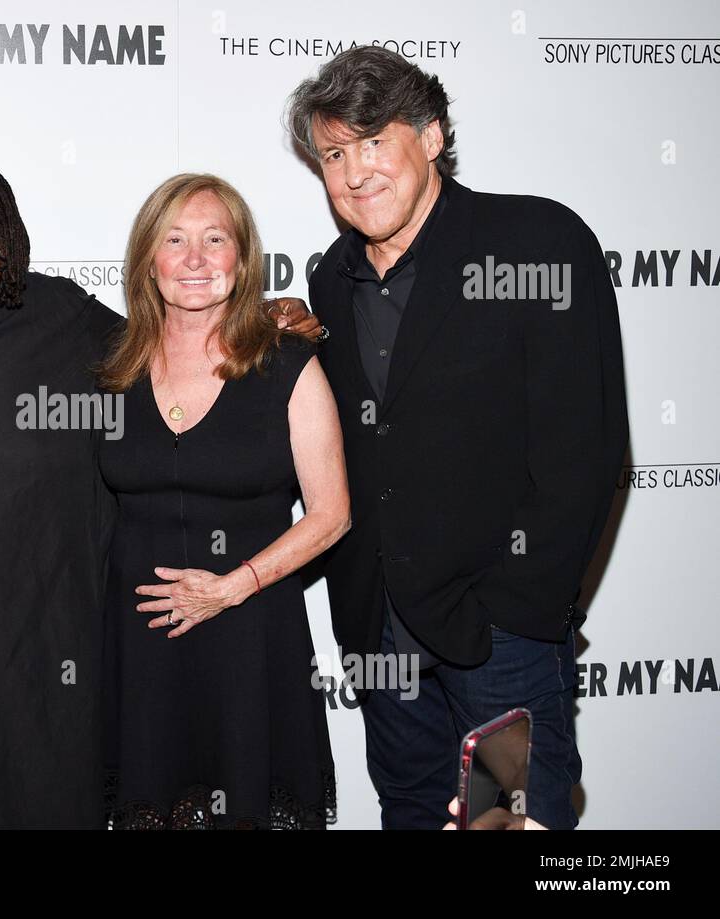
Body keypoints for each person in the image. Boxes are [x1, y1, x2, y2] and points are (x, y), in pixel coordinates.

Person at [0, 150, 323, 828]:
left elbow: (172, 344)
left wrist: (267, 319)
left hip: (46, 645)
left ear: (6, 242)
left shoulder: (63, 317)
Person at [286, 46, 628, 829]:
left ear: (432, 136)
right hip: (381, 637)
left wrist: (519, 608)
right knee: (411, 814)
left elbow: (588, 450)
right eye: (335, 153)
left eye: (375, 141)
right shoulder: (330, 277)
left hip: (498, 641)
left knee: (504, 823)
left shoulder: (538, 241)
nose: (356, 171)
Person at [97, 174, 350, 829]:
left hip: (250, 636)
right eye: (174, 240)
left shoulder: (287, 365)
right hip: (140, 646)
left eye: (216, 240)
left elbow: (332, 513)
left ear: (242, 262)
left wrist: (233, 587)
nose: (195, 258)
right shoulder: (109, 369)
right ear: (147, 261)